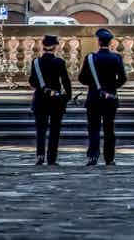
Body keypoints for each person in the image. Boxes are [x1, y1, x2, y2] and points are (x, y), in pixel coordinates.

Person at [78, 27, 127, 166]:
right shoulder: (116, 58)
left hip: (94, 98)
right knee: (109, 129)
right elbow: (122, 78)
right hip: (110, 98)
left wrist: (94, 86)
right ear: (110, 42)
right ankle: (109, 158)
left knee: (93, 128)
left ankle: (93, 156)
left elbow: (82, 78)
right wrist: (111, 88)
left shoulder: (91, 58)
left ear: (99, 42)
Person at [27, 35, 71, 166]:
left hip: (40, 99)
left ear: (43, 46)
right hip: (56, 101)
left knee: (40, 130)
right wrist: (67, 97)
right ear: (55, 47)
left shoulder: (36, 62)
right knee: (54, 131)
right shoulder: (59, 62)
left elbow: (33, 81)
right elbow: (65, 81)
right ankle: (51, 158)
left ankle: (40, 156)